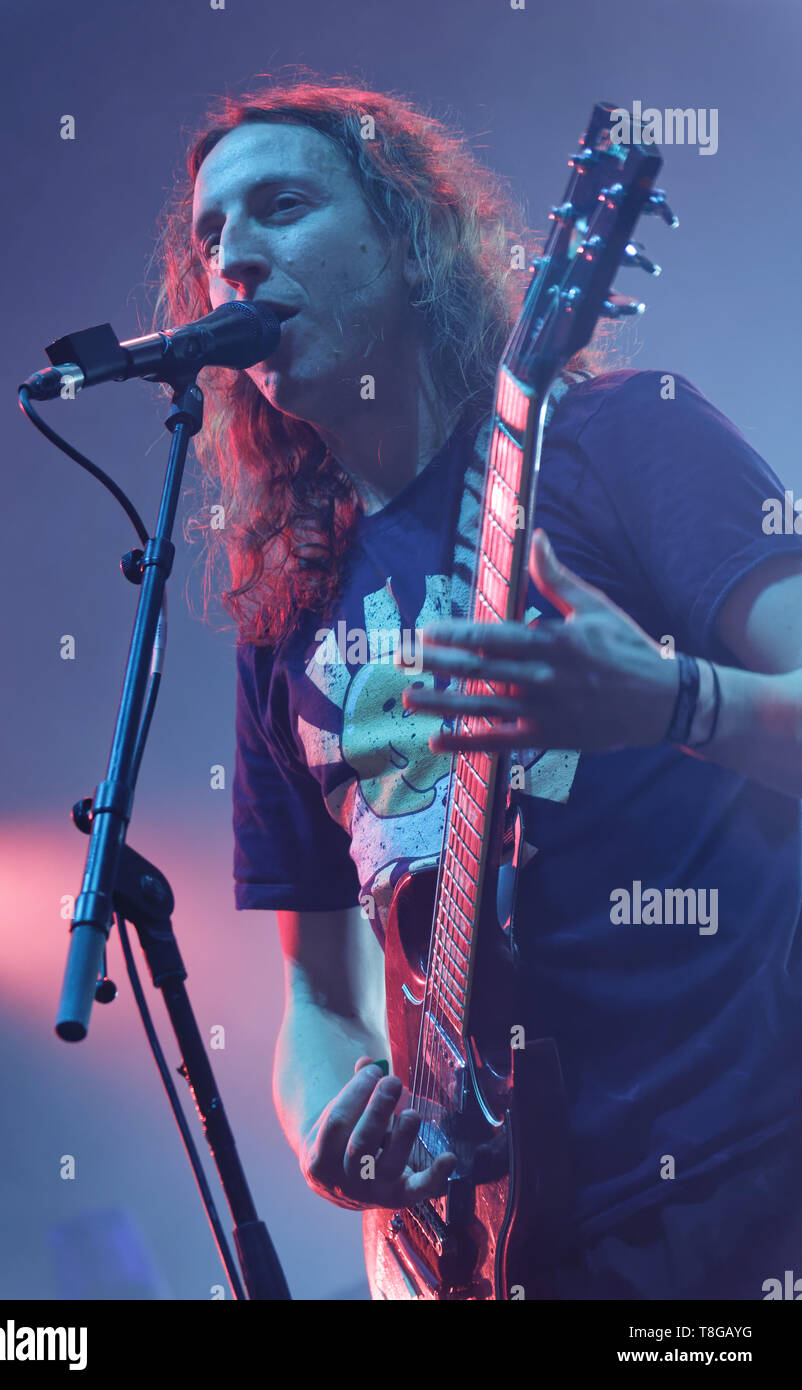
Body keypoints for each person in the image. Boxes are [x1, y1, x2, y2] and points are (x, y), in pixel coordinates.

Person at [156, 79, 802, 1299]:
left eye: (282, 206)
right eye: (208, 239)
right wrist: (326, 1130)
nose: (234, 258)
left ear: (408, 241)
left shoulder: (620, 439)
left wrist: (671, 703)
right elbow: (313, 996)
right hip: (479, 1254)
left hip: (735, 1197)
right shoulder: (286, 604)